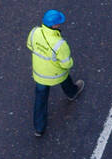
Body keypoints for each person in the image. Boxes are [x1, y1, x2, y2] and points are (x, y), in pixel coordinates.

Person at [26, 9, 84, 137]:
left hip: (40, 74)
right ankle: (72, 93)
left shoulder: (34, 32)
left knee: (40, 100)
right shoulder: (59, 44)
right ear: (54, 26)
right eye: (59, 23)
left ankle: (39, 128)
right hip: (56, 74)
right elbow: (67, 64)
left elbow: (30, 46)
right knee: (65, 80)